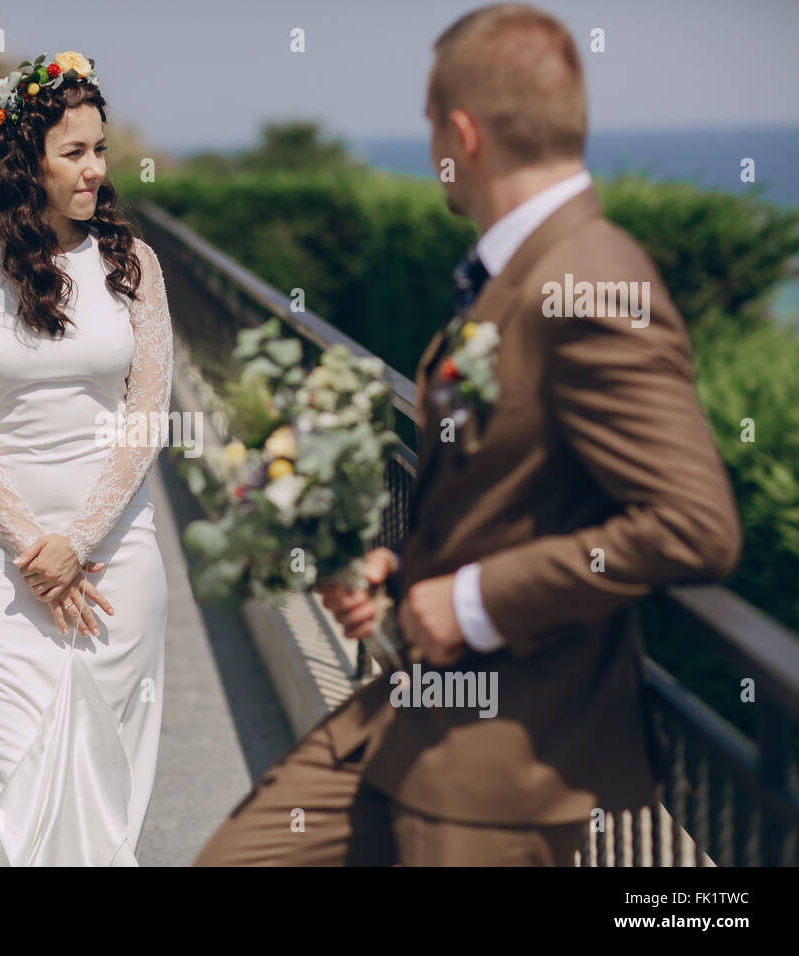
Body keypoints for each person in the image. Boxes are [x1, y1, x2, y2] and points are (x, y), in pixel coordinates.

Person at [194, 4, 742, 866]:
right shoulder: (512, 272)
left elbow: (694, 524)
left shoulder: (591, 280)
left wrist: (473, 601)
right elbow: (514, 486)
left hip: (509, 755)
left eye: (429, 130)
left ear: (463, 132)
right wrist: (404, 573)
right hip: (419, 712)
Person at [0, 52, 172, 865]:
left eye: (99, 150)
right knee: (13, 781)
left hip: (116, 557)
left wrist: (79, 543)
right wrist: (36, 549)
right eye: (74, 153)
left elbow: (146, 414)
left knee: (106, 779)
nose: (95, 169)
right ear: (26, 163)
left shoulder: (134, 266)